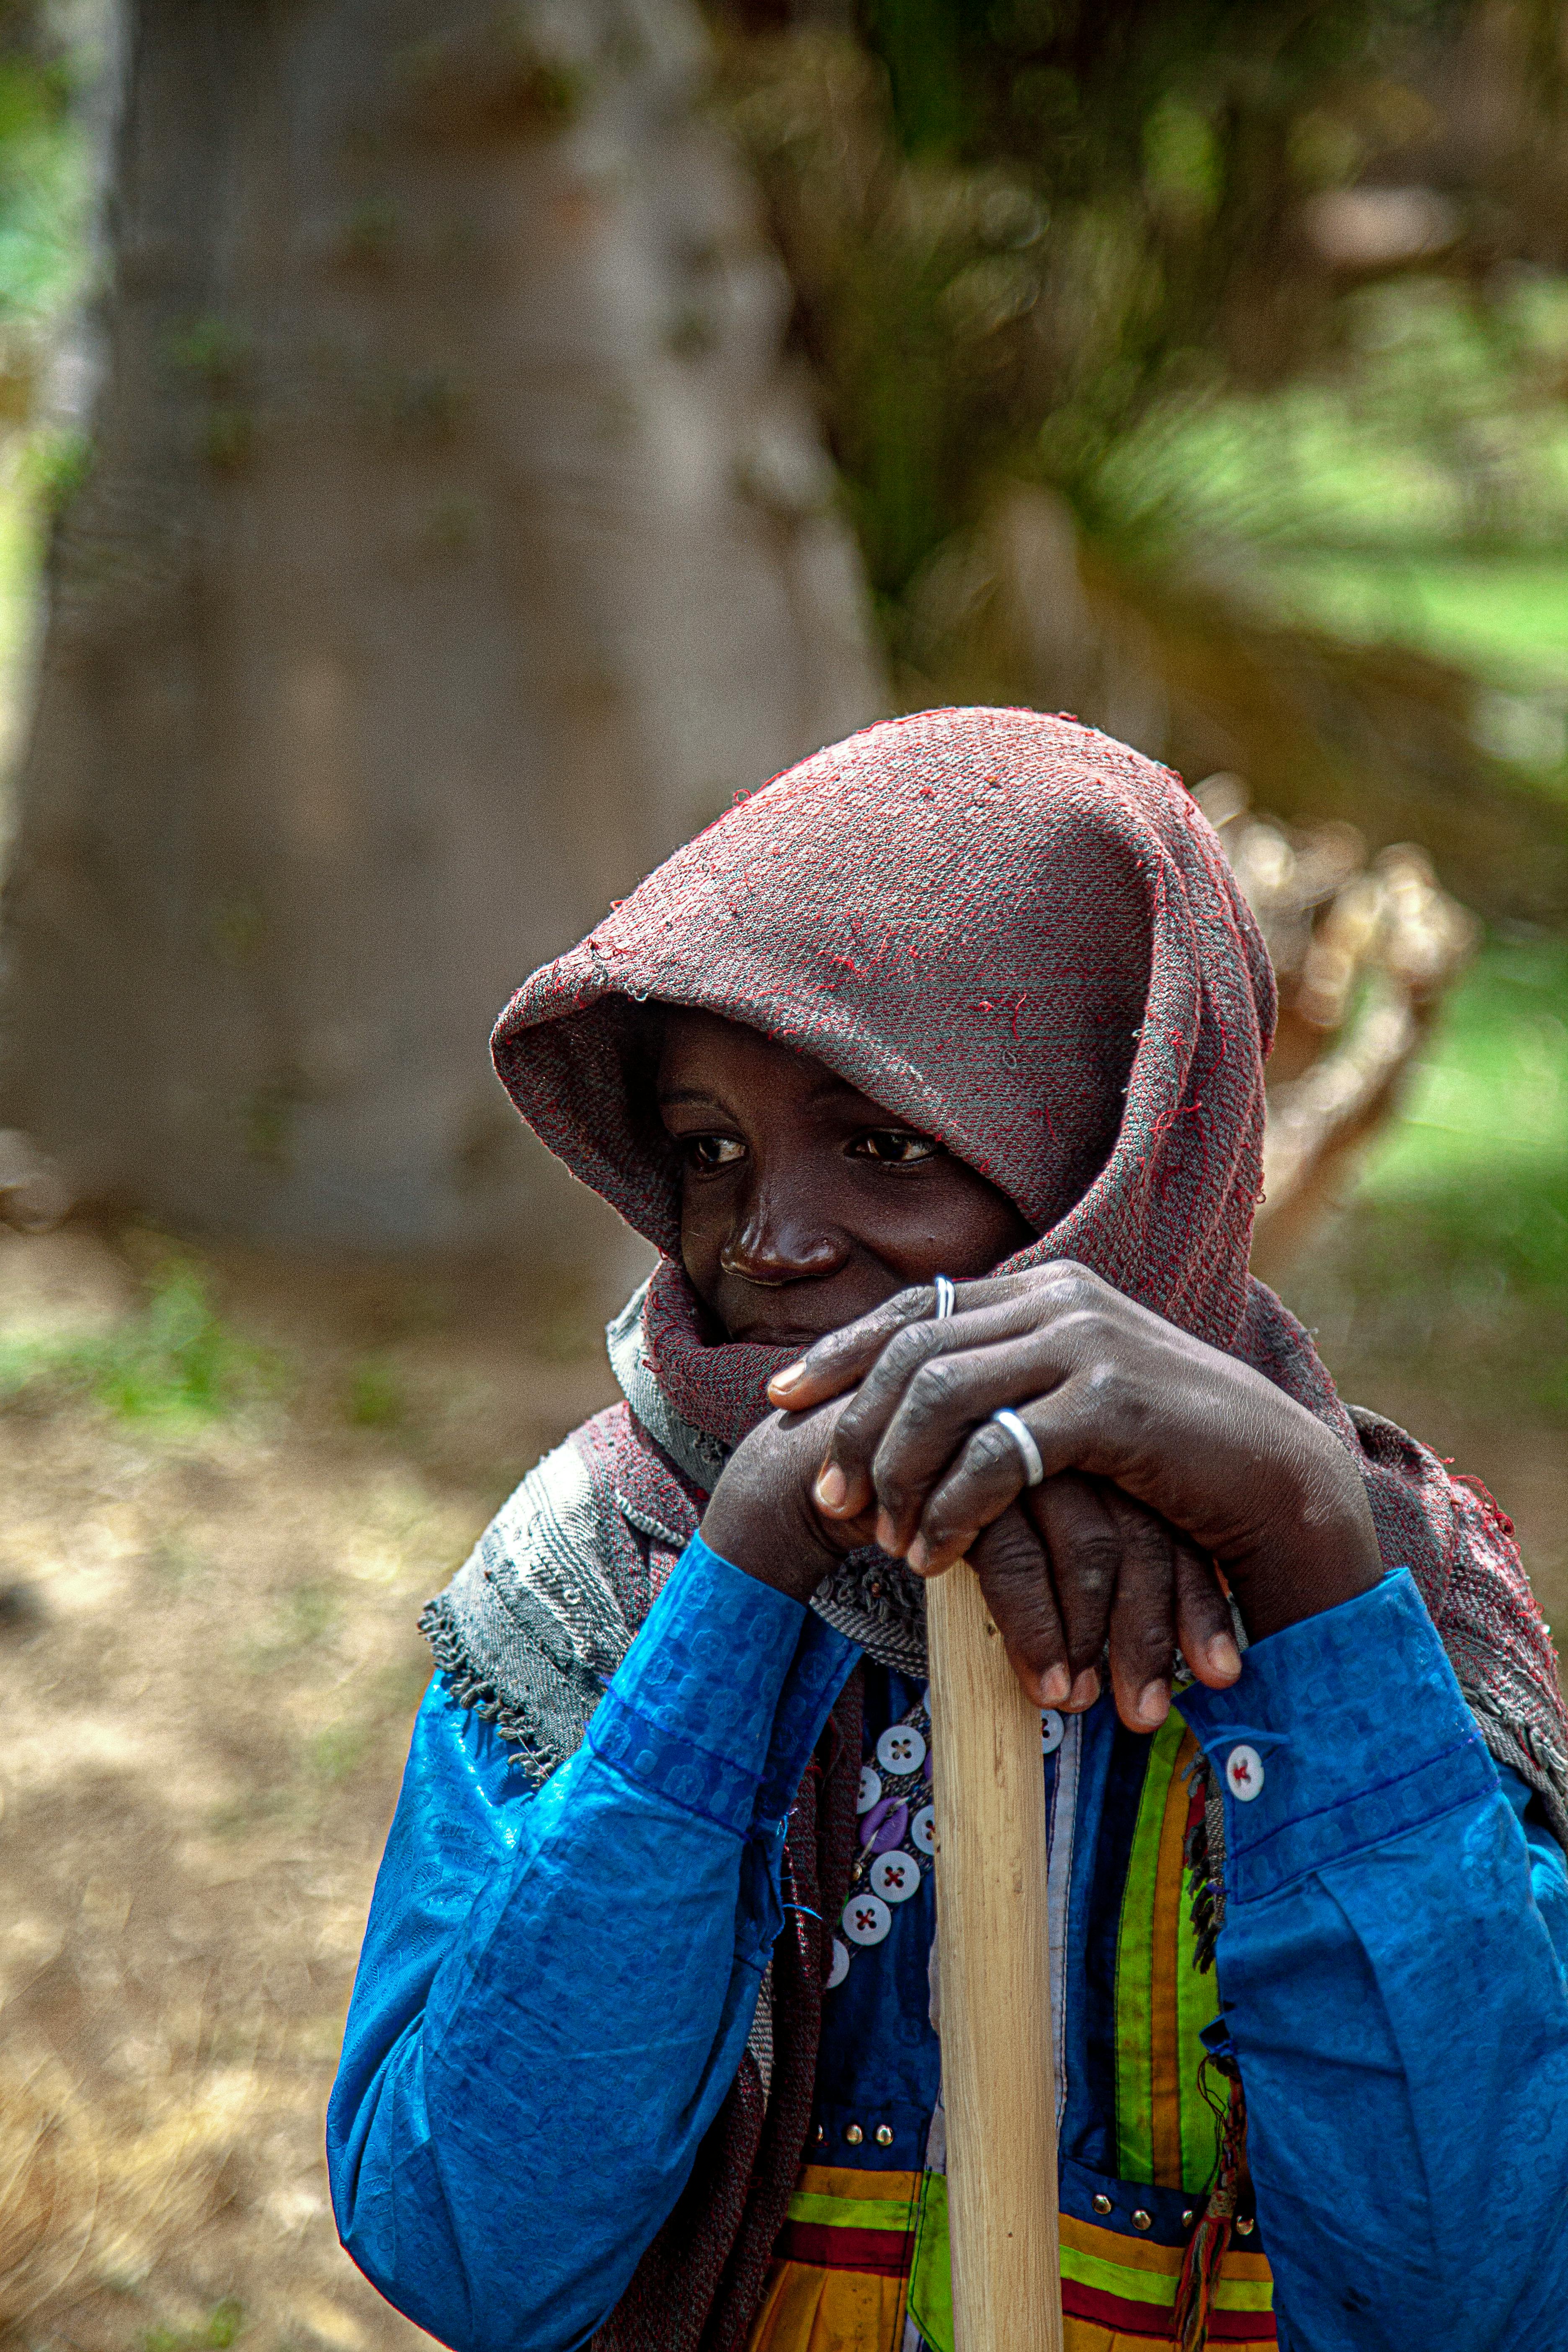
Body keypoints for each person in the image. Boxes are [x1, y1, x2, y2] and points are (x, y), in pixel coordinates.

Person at [325, 709, 1568, 2352]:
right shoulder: (612, 1570)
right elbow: (471, 2243)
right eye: (710, 1150)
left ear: (1118, 1153)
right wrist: (745, 1582)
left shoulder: (1373, 1583)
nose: (764, 1241)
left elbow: (1482, 2293)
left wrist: (1303, 1564)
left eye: (882, 1142)